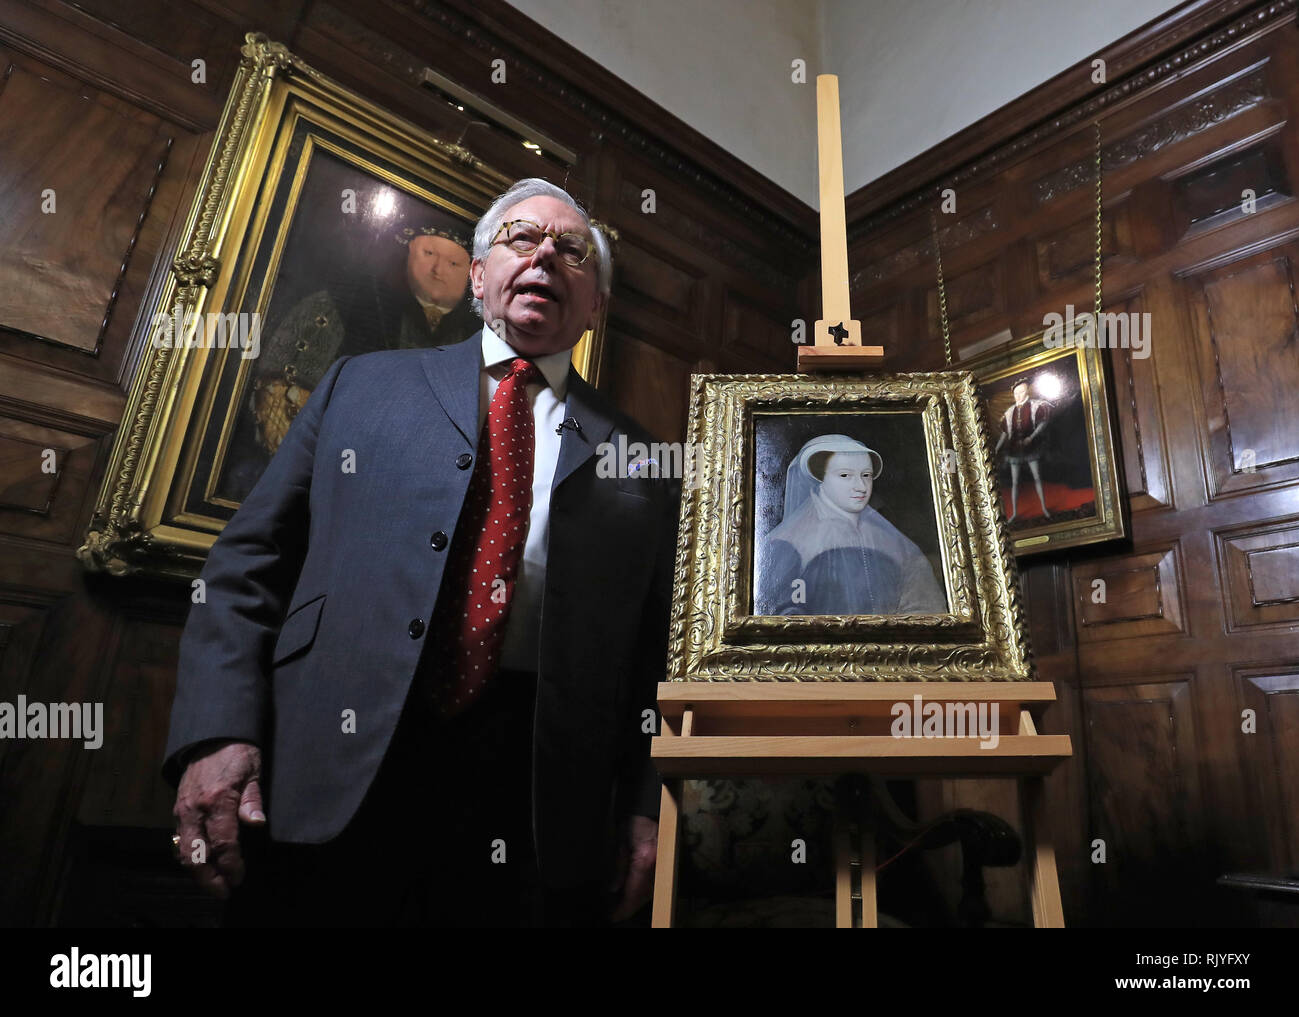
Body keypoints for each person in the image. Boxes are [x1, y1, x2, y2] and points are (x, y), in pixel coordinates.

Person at [164, 178, 679, 927]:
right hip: (327, 757)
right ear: (478, 276)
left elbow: (654, 654)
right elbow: (246, 568)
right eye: (521, 238)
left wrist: (647, 805)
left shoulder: (643, 457)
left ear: (595, 302)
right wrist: (215, 732)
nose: (546, 257)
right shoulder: (359, 385)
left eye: (572, 251)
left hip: (530, 792)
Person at [251, 222, 478, 457]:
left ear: (472, 273)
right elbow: (280, 396)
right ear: (409, 251)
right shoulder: (343, 305)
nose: (437, 270)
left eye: (453, 263)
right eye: (429, 253)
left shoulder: (479, 339)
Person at [755, 434, 946, 616]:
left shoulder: (891, 539)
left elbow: (925, 606)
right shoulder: (787, 542)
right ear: (821, 479)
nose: (861, 487)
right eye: (845, 475)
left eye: (866, 475)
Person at [994, 379, 1052, 523]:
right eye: (1016, 393)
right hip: (1014, 450)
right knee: (1015, 482)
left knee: (1037, 478)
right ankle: (1013, 513)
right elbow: (1005, 433)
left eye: (1021, 392)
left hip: (1031, 448)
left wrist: (1031, 438)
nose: (1018, 395)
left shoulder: (1035, 407)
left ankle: (1044, 509)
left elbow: (1043, 424)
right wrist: (996, 448)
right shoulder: (1009, 412)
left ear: (1027, 392)